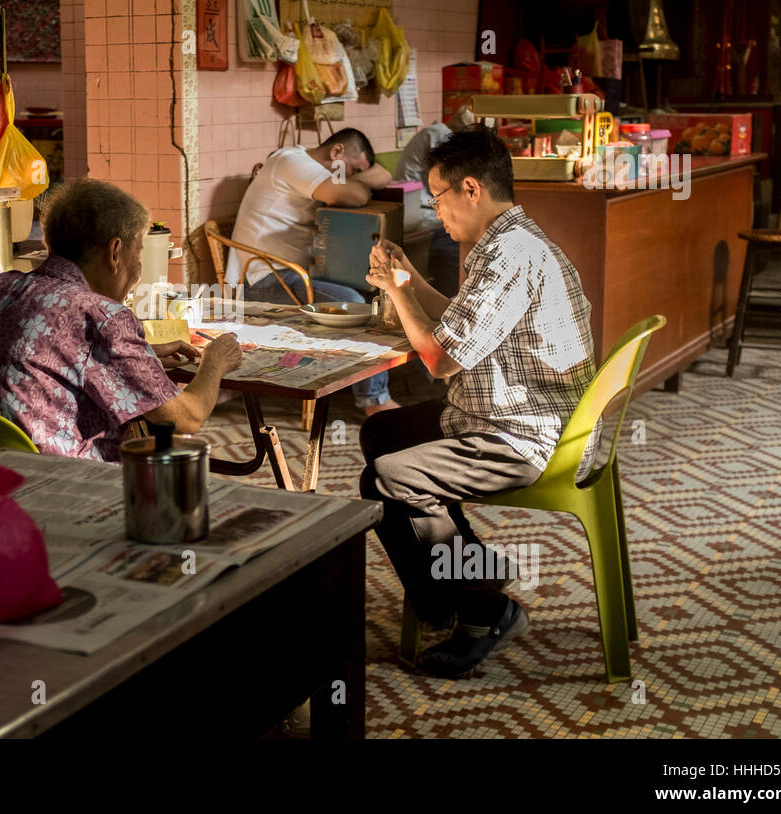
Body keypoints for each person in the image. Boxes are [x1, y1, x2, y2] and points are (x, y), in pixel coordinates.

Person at [361, 124, 597, 679]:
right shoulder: (509, 241)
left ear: (471, 189)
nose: (437, 211)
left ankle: (484, 609)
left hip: (524, 435)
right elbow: (464, 325)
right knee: (381, 435)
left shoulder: (509, 254)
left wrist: (396, 291)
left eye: (438, 197)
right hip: (516, 413)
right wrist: (411, 279)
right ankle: (468, 576)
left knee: (388, 480)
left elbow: (442, 359)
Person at [0, 178, 242, 462]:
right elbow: (185, 418)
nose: (138, 269)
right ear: (115, 252)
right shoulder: (101, 315)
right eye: (139, 252)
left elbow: (60, 357)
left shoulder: (1, 287)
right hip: (58, 480)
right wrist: (215, 361)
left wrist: (147, 355)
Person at [225, 127, 398, 415]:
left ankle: (369, 394)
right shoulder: (292, 162)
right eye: (352, 169)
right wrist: (352, 184)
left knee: (374, 291)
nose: (351, 177)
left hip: (295, 273)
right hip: (264, 279)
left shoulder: (309, 164)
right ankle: (374, 403)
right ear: (337, 152)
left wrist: (354, 178)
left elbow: (384, 175)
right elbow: (354, 196)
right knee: (355, 304)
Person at [392, 107, 475, 298]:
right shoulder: (439, 134)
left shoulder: (435, 132)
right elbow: (452, 176)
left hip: (423, 206)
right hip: (417, 209)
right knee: (455, 242)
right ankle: (450, 299)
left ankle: (447, 298)